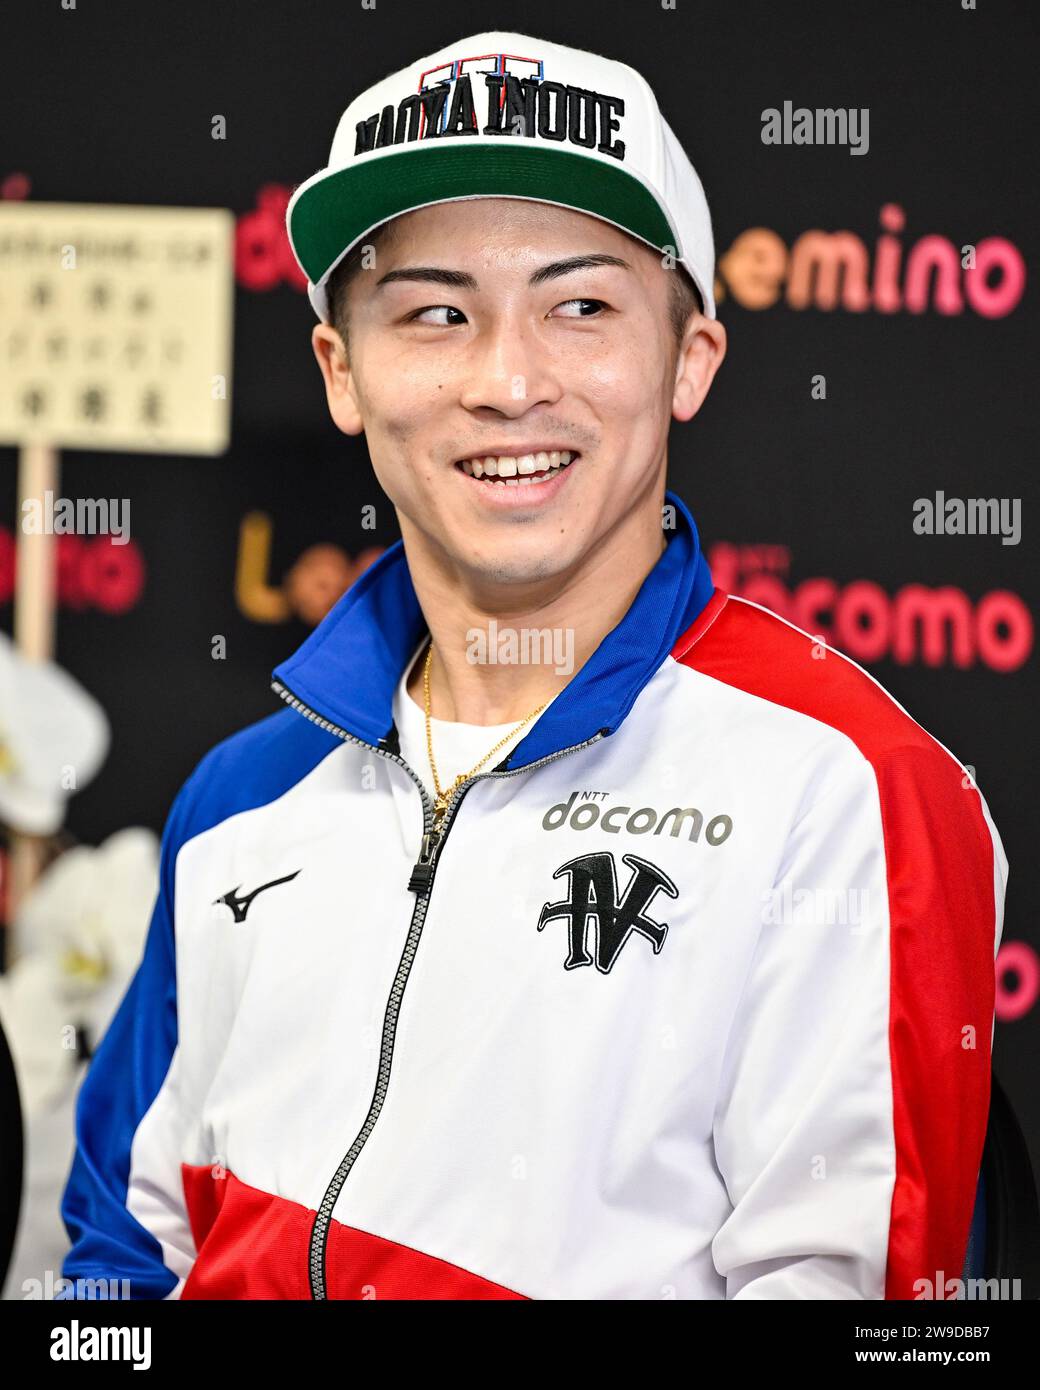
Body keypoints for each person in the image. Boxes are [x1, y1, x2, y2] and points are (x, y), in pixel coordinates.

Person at [58, 30, 1006, 1301]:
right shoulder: (239, 798)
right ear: (342, 373)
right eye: (435, 313)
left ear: (688, 360)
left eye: (580, 305)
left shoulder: (850, 791)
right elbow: (121, 1253)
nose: (507, 382)